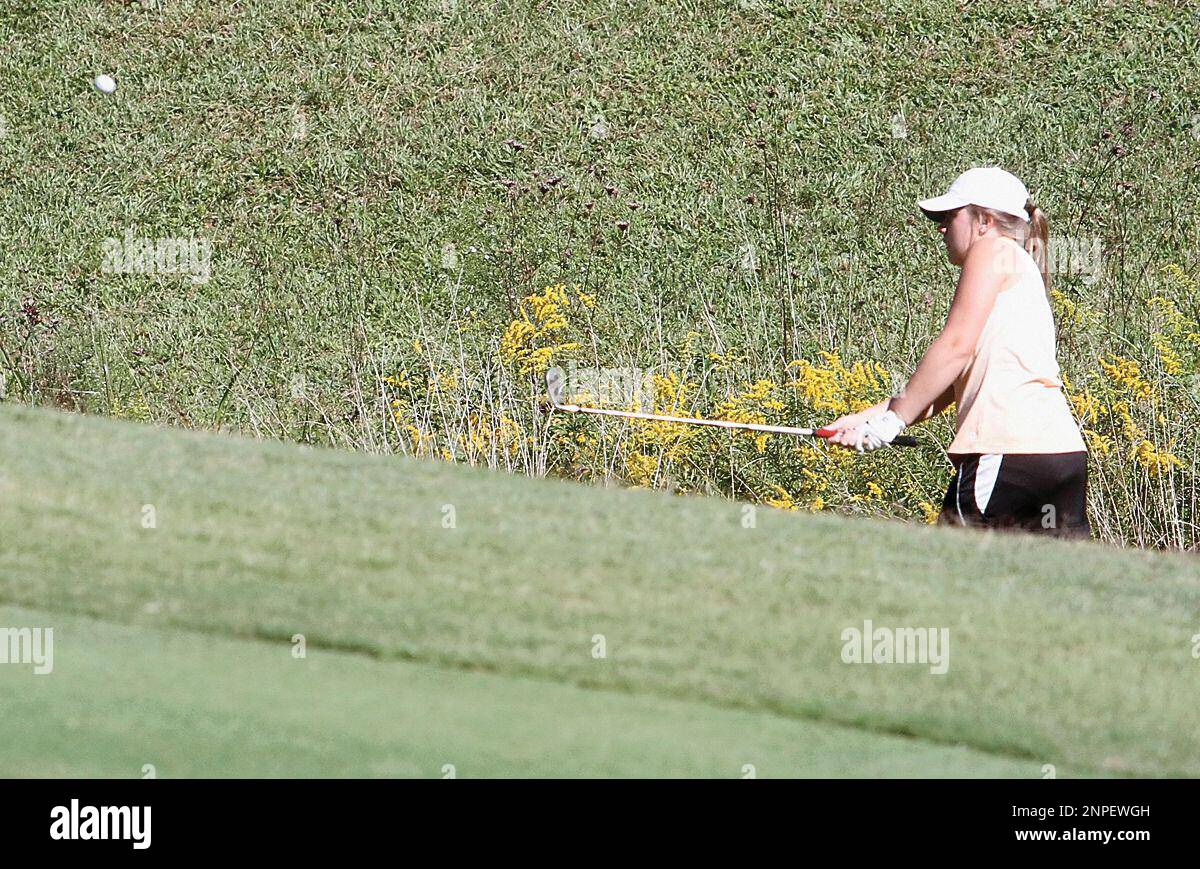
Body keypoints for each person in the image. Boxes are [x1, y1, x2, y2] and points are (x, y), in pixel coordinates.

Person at [823, 167, 1090, 539]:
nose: (942, 228)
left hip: (1006, 453)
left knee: (950, 579)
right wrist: (866, 418)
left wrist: (892, 424)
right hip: (1061, 456)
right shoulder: (1017, 266)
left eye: (950, 216)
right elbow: (949, 386)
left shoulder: (991, 250)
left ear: (984, 220)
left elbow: (955, 346)